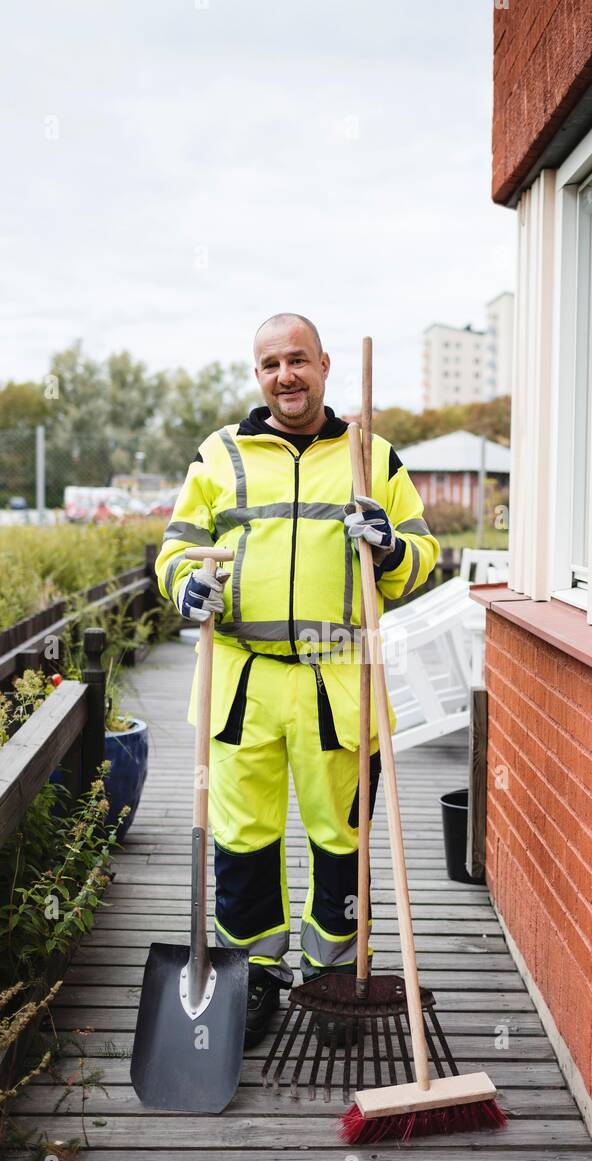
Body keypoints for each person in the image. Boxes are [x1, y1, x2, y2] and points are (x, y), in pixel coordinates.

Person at [155, 313, 438, 1046]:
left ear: (325, 366)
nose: (287, 375)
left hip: (338, 682)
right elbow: (178, 547)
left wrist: (388, 546)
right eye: (272, 363)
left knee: (339, 843)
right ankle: (250, 982)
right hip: (240, 683)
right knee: (241, 843)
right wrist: (187, 585)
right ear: (258, 374)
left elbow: (422, 554)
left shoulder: (372, 455)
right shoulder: (219, 454)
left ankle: (331, 980)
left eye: (299, 361)